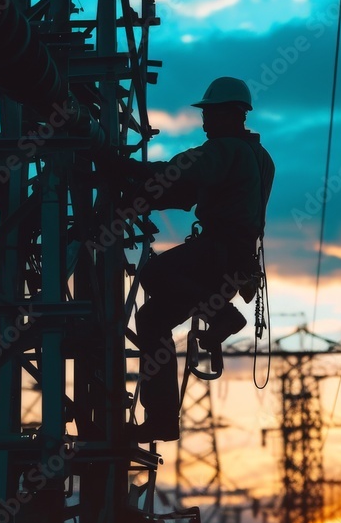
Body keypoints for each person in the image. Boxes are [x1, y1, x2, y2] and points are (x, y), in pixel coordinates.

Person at [117, 77, 275, 442]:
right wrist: (141, 197)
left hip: (218, 250)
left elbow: (179, 174)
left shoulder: (224, 151)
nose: (205, 122)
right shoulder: (260, 157)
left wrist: (125, 169)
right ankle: (161, 421)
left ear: (232, 114)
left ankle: (221, 315)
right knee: (153, 318)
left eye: (210, 113)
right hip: (237, 261)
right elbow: (186, 190)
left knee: (155, 273)